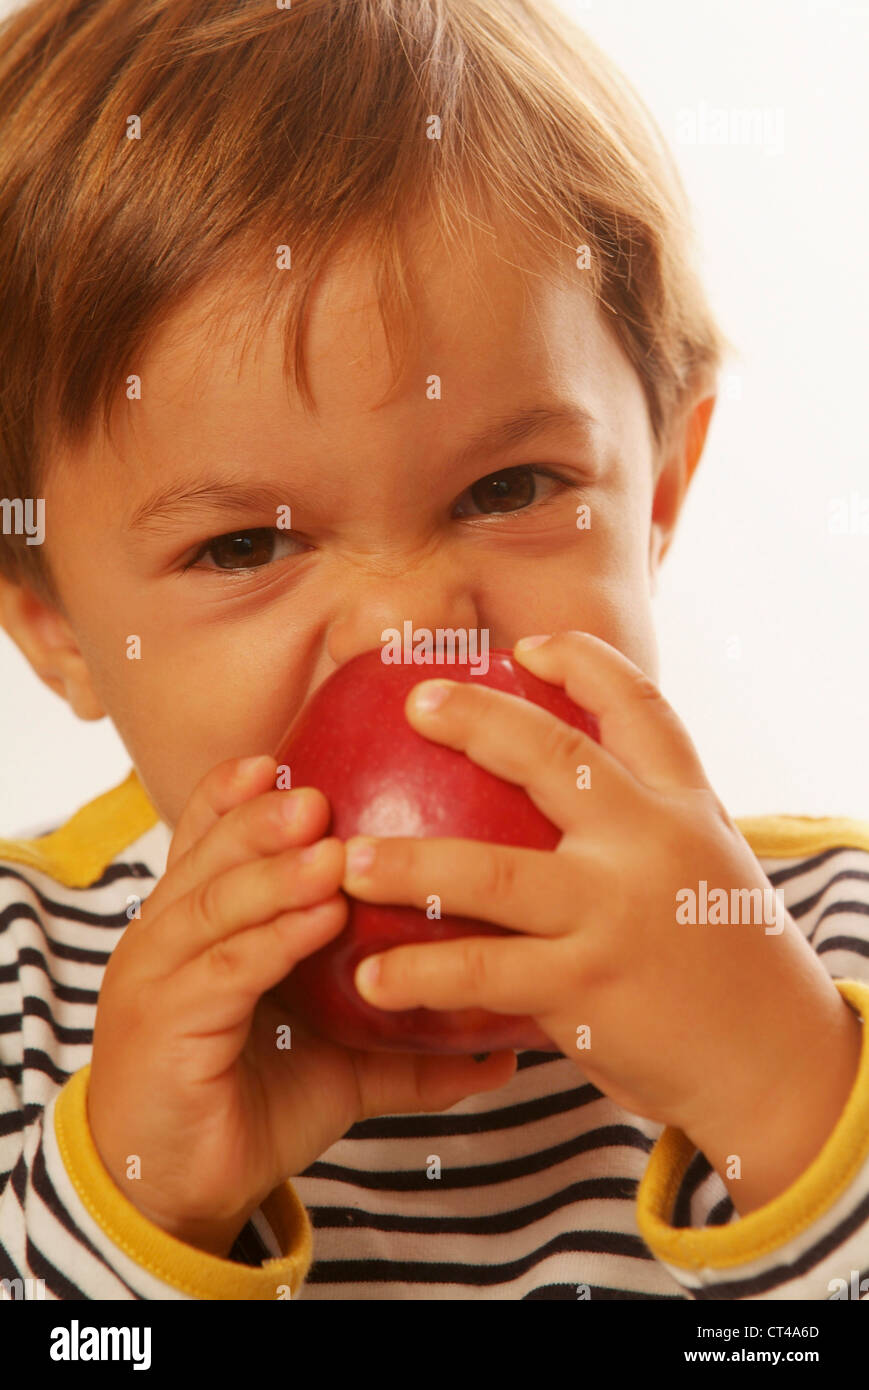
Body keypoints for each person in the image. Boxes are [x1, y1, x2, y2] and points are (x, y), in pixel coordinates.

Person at [0, 0, 867, 1301]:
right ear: (55, 623)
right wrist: (136, 1203)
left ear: (655, 501)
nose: (415, 635)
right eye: (246, 546)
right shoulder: (24, 984)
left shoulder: (812, 948)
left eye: (510, 487)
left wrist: (781, 1095)